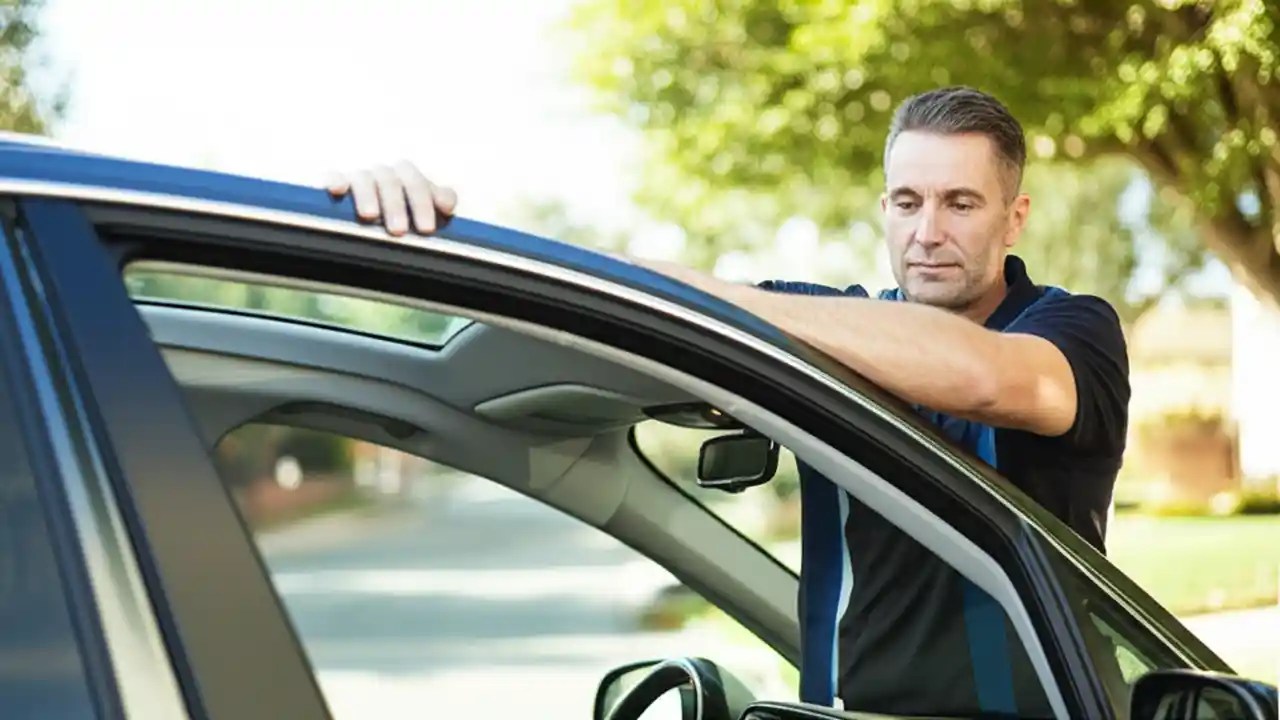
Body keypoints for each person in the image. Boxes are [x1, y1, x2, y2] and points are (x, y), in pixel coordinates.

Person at [327, 86, 1130, 716]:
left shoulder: (1073, 329)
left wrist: (744, 311)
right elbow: (608, 297)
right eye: (907, 201)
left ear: (1013, 218)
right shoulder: (829, 321)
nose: (927, 230)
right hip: (840, 718)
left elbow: (992, 379)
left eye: (961, 203)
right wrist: (428, 229)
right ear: (884, 209)